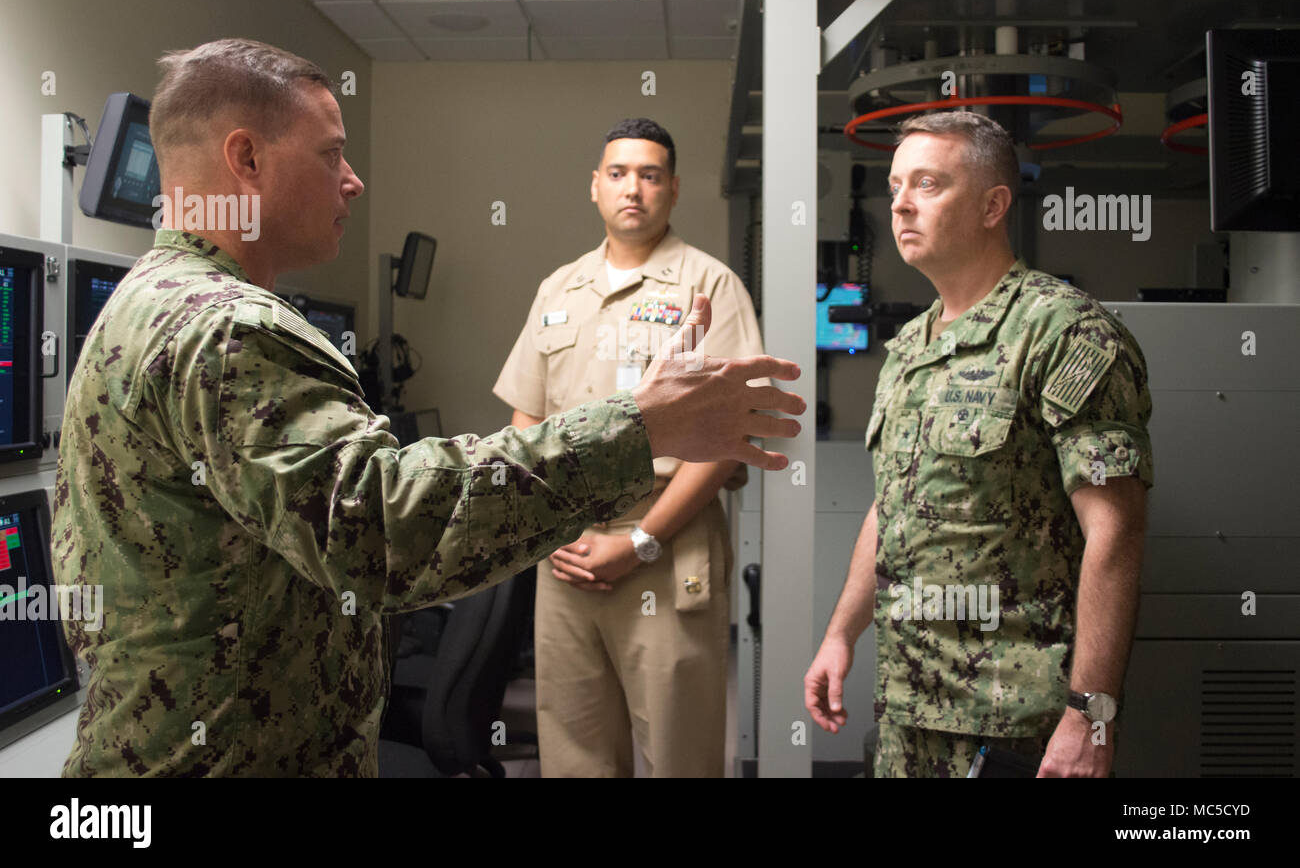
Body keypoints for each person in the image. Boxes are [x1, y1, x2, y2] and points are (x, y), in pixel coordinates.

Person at [51, 39, 805, 777]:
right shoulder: (228, 330)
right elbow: (382, 526)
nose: (353, 181)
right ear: (247, 160)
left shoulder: (147, 300)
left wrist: (638, 514)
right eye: (330, 155)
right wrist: (638, 429)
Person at [804, 110, 1153, 778]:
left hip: (1017, 720)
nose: (901, 202)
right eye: (895, 184)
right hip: (909, 708)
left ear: (994, 205)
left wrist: (1090, 715)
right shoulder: (910, 347)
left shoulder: (1062, 331)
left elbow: (1118, 533)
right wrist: (841, 635)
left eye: (928, 184)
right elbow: (892, 510)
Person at [493, 118, 761, 777]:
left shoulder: (710, 287)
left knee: (680, 754)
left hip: (664, 551)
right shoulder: (559, 289)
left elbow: (728, 438)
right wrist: (543, 524)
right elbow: (528, 418)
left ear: (673, 189)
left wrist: (641, 542)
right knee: (573, 754)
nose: (632, 188)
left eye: (649, 175)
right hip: (566, 553)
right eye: (617, 173)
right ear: (595, 187)